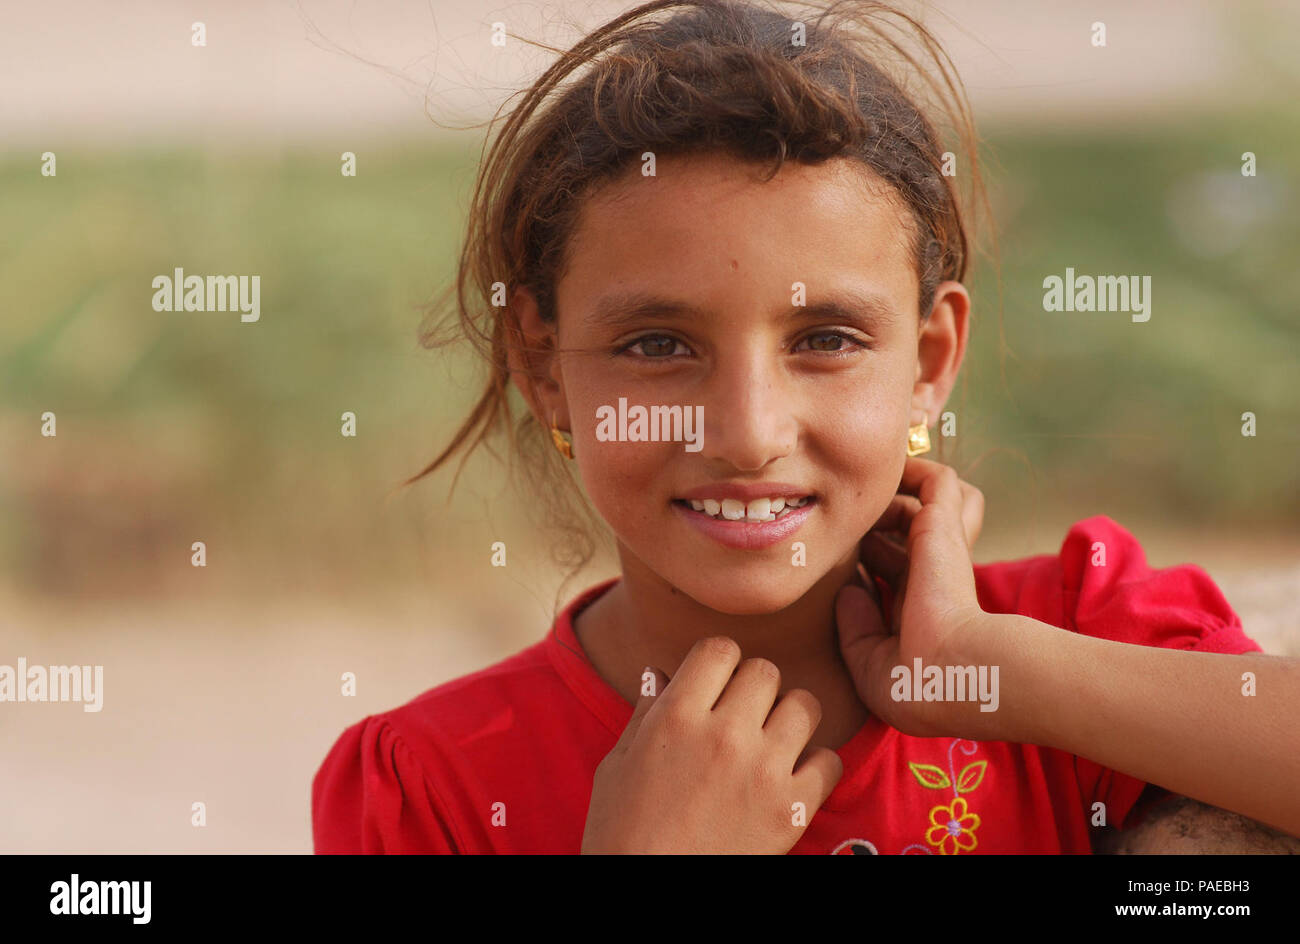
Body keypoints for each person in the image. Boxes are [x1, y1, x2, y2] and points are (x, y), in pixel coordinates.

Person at [312, 0, 1300, 853]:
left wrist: (993, 670)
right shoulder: (434, 786)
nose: (746, 431)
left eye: (824, 338)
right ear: (542, 364)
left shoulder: (1074, 641)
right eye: (657, 345)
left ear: (928, 361)